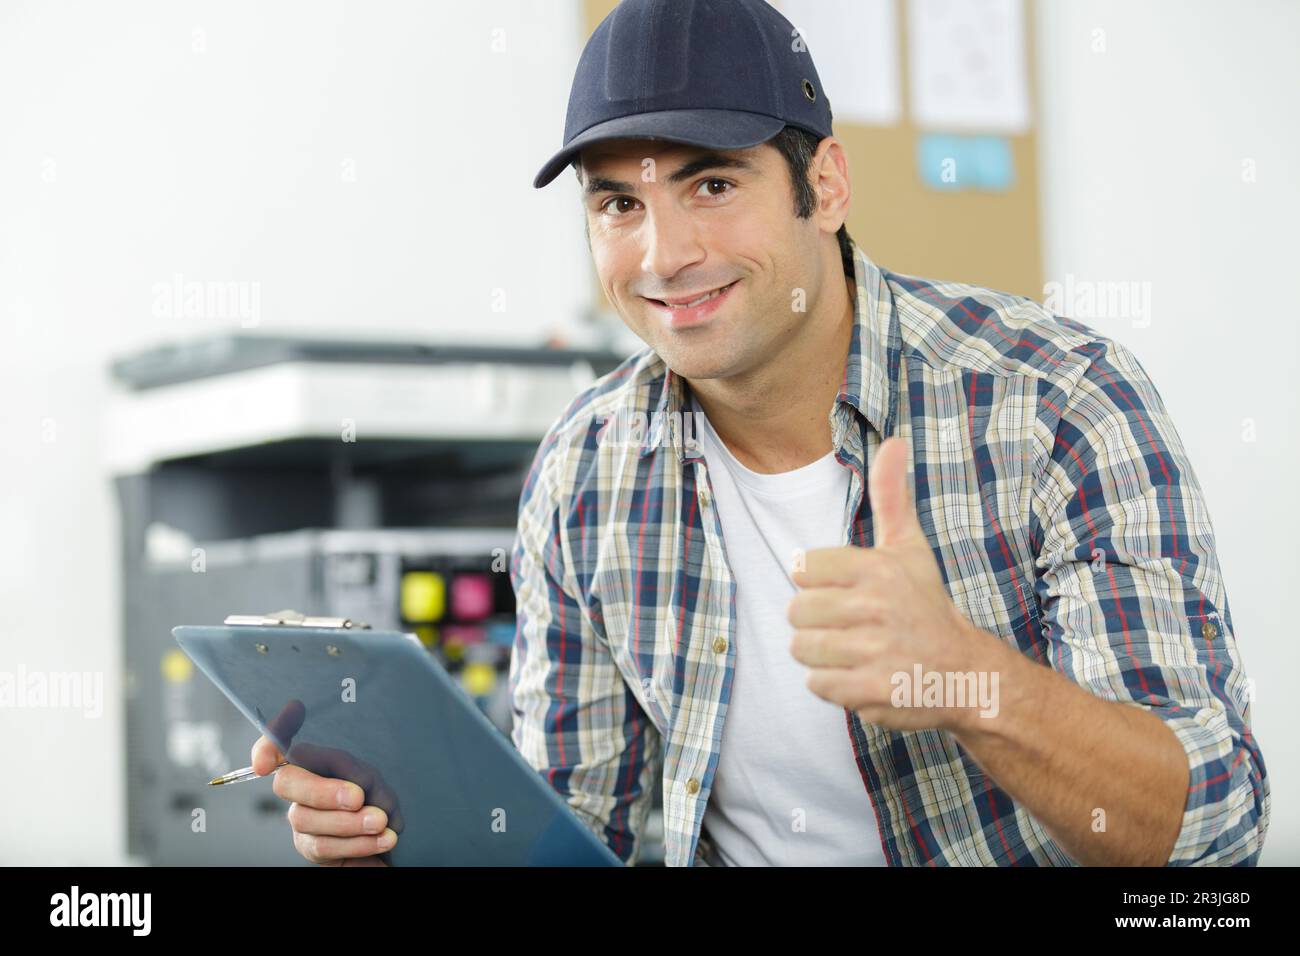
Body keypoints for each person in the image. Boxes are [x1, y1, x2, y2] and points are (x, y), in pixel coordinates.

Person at [256, 0, 1269, 866]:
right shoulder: (586, 469)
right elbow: (580, 835)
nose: (663, 254)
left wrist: (968, 679)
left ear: (823, 185)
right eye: (618, 202)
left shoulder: (1059, 402)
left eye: (710, 184)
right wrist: (401, 834)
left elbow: (1212, 831)